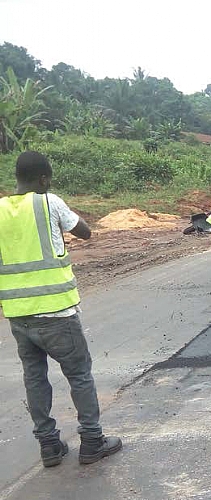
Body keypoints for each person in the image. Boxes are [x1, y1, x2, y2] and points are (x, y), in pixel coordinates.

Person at [0, 151, 122, 467]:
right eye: (48, 179)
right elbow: (84, 231)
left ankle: (49, 446)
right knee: (79, 374)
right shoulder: (48, 202)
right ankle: (93, 441)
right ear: (43, 179)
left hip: (18, 313)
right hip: (55, 312)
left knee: (35, 377)